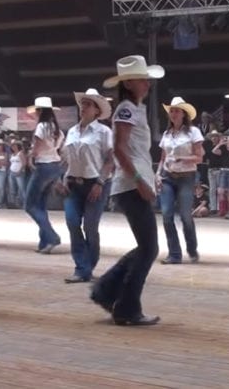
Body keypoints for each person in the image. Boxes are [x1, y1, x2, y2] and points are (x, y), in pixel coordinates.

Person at [90, 55, 163, 326]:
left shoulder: (133, 108)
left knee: (147, 247)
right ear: (129, 83)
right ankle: (126, 307)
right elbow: (119, 148)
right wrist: (140, 181)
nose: (147, 83)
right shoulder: (127, 109)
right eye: (143, 79)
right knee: (148, 248)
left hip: (133, 183)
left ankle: (107, 291)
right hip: (131, 185)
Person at [59, 88, 114, 283]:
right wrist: (64, 178)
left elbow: (110, 159)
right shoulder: (72, 131)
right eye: (82, 103)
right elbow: (68, 159)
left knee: (90, 226)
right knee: (72, 222)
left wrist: (100, 182)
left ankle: (87, 265)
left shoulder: (104, 131)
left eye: (88, 104)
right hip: (73, 183)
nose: (83, 107)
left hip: (95, 183)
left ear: (97, 111)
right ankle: (82, 268)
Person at [156, 97, 205, 265]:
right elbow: (163, 157)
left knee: (185, 215)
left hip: (186, 177)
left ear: (184, 114)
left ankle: (191, 247)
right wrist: (157, 174)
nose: (173, 113)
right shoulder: (166, 134)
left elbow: (199, 157)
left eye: (177, 110)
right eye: (172, 111)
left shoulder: (193, 132)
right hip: (168, 177)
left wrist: (182, 158)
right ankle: (174, 254)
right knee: (167, 215)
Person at [24, 96, 64, 254]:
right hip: (55, 166)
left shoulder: (41, 126)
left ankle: (52, 237)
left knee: (29, 205)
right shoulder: (56, 128)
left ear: (40, 111)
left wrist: (30, 157)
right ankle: (44, 242)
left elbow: (38, 147)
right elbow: (59, 147)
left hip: (43, 166)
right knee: (40, 205)